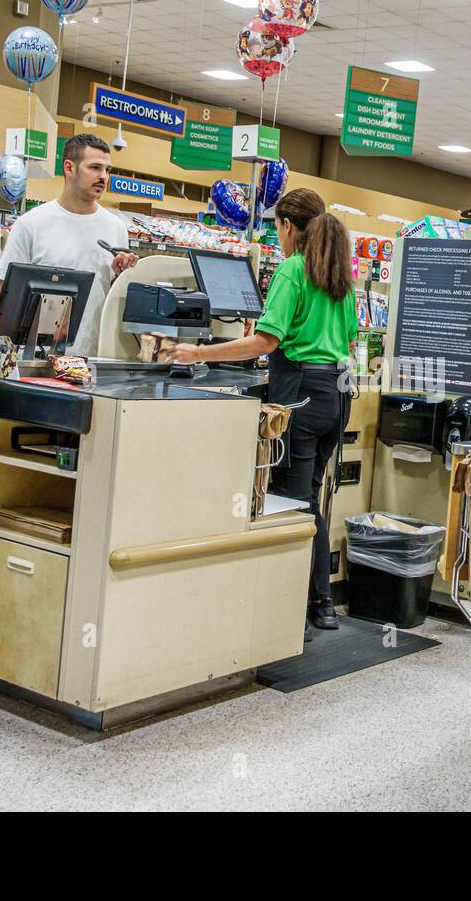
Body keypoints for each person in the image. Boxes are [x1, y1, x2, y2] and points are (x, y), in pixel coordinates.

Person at [171, 188, 356, 633]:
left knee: (292, 504)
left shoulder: (294, 270)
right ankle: (320, 599)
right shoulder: (338, 276)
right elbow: (348, 344)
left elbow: (266, 342)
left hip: (301, 394)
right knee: (311, 498)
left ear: (288, 227)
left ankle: (301, 605)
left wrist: (198, 354)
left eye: (277, 228)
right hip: (335, 395)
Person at [0, 133, 138, 356]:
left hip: (92, 360)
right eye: (94, 168)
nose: (103, 176)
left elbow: (113, 299)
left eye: (107, 170)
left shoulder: (116, 228)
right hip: (36, 362)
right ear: (69, 168)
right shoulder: (31, 224)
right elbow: (4, 297)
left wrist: (122, 276)